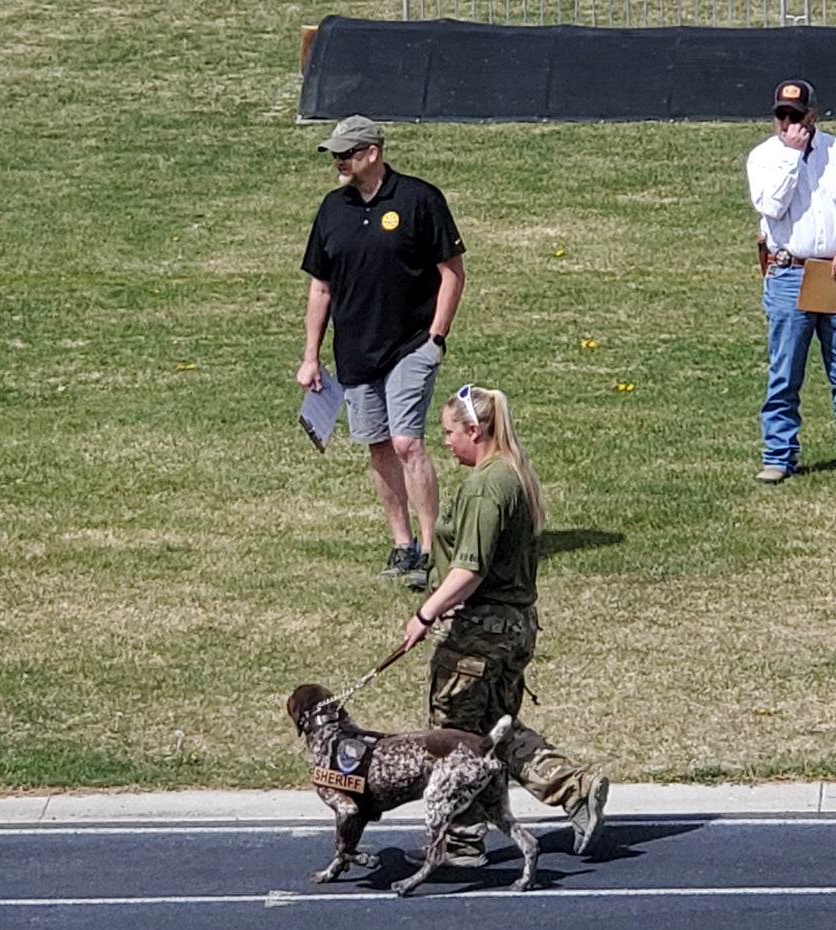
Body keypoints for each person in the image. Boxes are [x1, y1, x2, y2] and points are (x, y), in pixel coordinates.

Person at [400, 384, 609, 864]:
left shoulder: (486, 487)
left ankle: (461, 840)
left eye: (450, 433)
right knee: (493, 730)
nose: (445, 442)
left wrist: (425, 613)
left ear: (475, 431)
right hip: (514, 625)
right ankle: (574, 788)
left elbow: (469, 570)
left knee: (453, 736)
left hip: (481, 631)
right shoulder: (513, 474)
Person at [298, 115, 466, 589]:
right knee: (378, 446)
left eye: (347, 154)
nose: (339, 162)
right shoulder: (333, 209)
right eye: (335, 155)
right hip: (355, 351)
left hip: (411, 345)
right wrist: (310, 356)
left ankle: (430, 549)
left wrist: (436, 337)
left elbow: (452, 271)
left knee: (406, 442)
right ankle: (401, 543)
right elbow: (321, 288)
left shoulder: (418, 199)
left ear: (373, 152)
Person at [746, 79, 836, 485]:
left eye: (796, 115)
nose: (788, 123)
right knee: (785, 371)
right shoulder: (764, 157)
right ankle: (778, 456)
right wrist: (791, 157)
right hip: (789, 272)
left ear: (813, 115)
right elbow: (771, 207)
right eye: (781, 115)